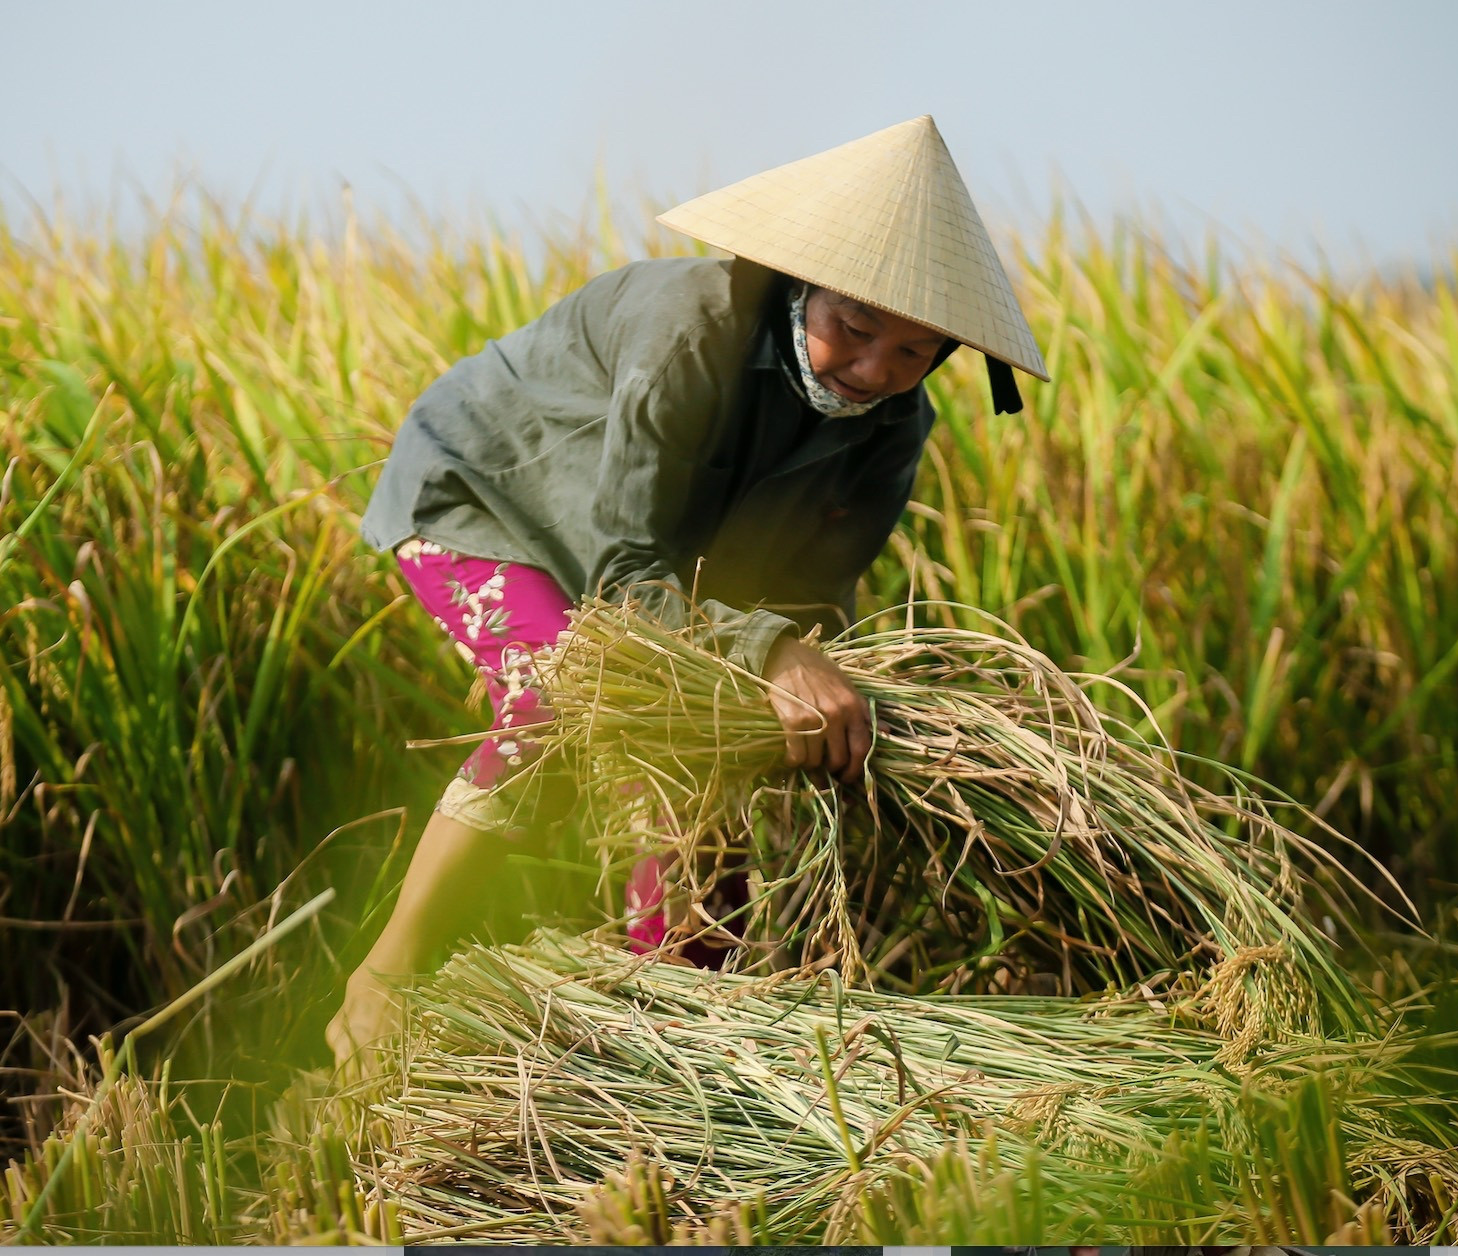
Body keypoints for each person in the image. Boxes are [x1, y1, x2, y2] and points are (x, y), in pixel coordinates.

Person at [325, 115, 1049, 1065]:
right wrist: (770, 654)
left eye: (914, 353)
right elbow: (625, 576)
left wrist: (800, 681)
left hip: (637, 564)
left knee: (709, 755)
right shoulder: (689, 334)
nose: (876, 370)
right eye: (855, 328)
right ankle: (385, 979)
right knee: (553, 699)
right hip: (488, 499)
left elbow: (809, 598)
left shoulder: (893, 427)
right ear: (802, 286)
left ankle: (673, 1041)